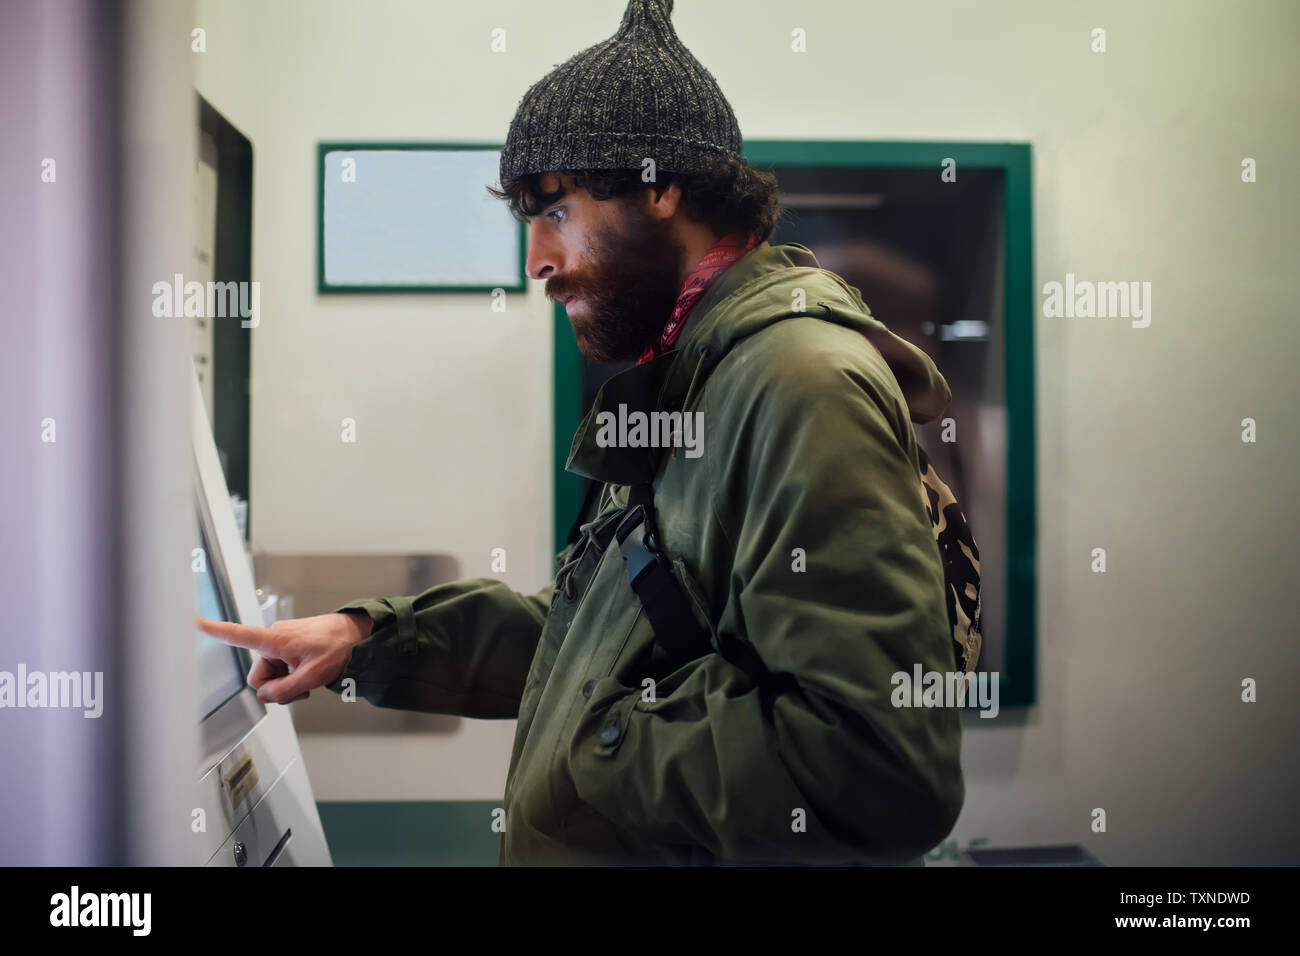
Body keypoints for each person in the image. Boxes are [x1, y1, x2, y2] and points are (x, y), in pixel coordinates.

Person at [200, 0, 964, 866]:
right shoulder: (693, 375)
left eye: (555, 211)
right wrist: (371, 641)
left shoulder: (800, 384)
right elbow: (594, 643)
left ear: (660, 187)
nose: (535, 262)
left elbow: (875, 771)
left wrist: (596, 741)